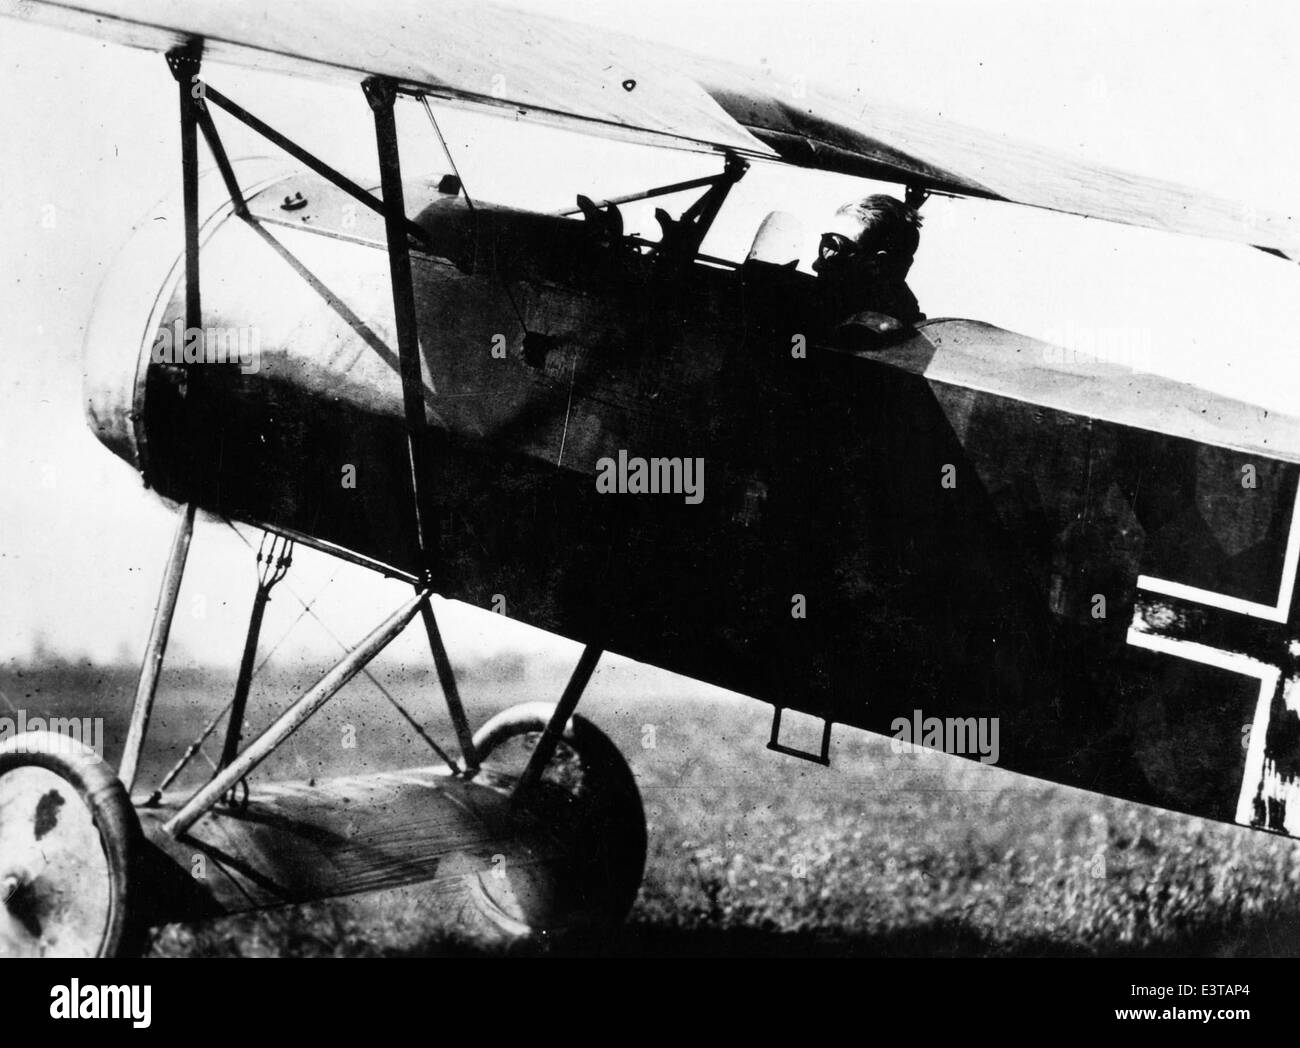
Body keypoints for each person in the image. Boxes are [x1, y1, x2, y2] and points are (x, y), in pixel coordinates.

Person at [812, 194, 925, 339]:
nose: (817, 264)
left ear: (878, 265)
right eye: (825, 246)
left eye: (836, 247)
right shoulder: (832, 301)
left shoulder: (875, 332)